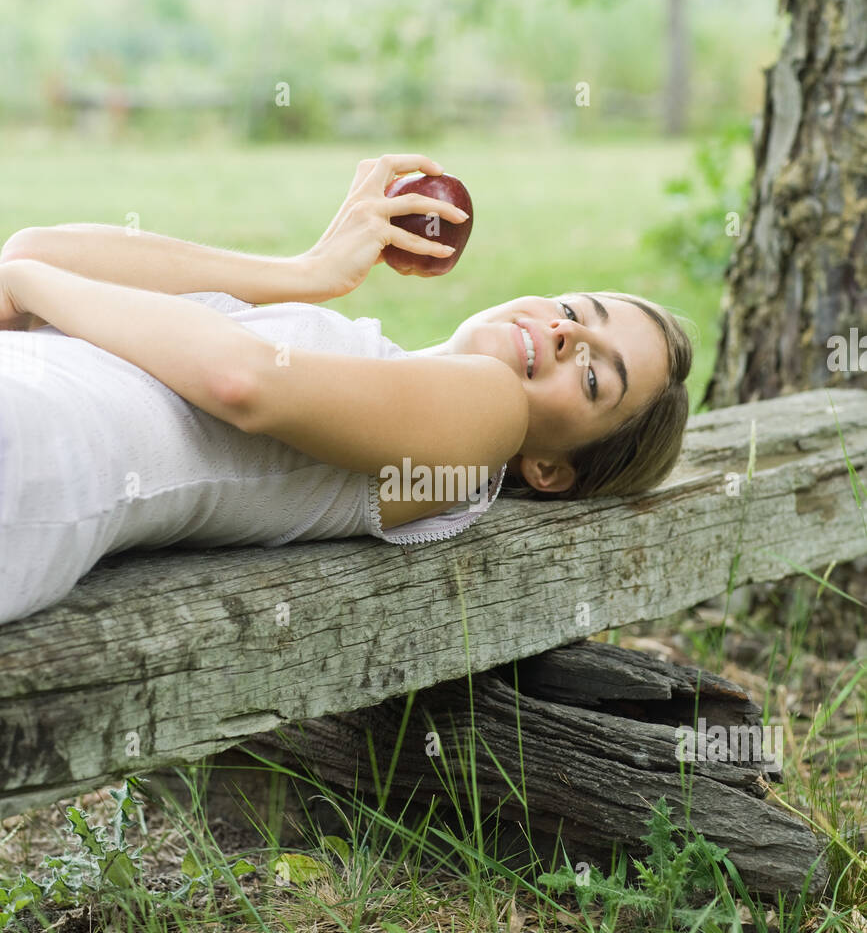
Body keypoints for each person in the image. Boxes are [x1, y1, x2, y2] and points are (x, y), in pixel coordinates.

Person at [0, 154, 692, 626]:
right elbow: (37, 250)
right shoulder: (364, 355)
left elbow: (241, 381)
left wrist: (32, 291)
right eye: (575, 312)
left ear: (548, 470)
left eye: (595, 377)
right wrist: (307, 270)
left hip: (38, 454)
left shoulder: (489, 417)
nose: (566, 335)